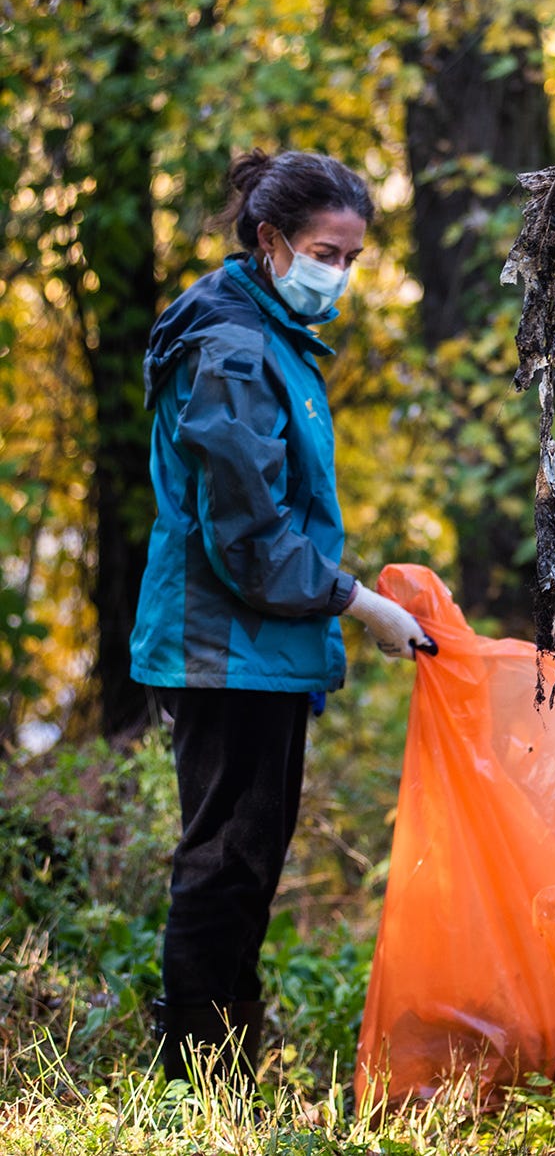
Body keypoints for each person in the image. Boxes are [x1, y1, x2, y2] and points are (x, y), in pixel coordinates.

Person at [129, 149, 433, 1084]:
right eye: (323, 252)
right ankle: (197, 1086)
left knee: (245, 862)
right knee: (225, 865)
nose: (337, 273)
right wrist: (360, 602)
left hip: (258, 648)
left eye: (351, 257)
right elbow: (250, 538)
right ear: (269, 241)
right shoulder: (232, 348)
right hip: (224, 650)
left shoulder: (266, 334)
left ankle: (222, 1069)